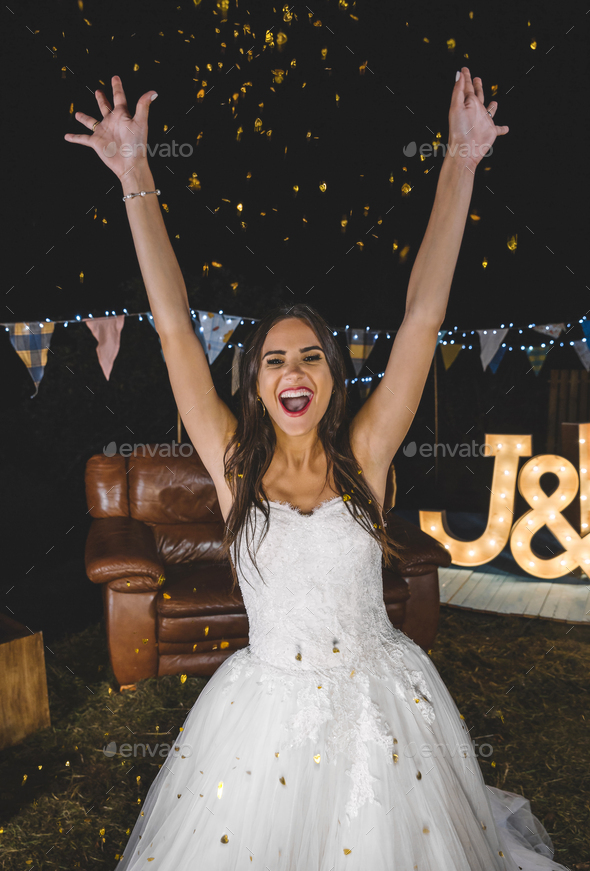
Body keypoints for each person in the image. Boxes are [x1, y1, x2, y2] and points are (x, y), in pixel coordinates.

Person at [65, 69, 568, 871]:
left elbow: (423, 315)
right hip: (263, 716)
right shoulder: (234, 466)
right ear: (256, 383)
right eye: (274, 359)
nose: (293, 369)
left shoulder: (366, 457)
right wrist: (136, 178)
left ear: (332, 375)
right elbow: (172, 330)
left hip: (382, 713)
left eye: (311, 355)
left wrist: (461, 163)